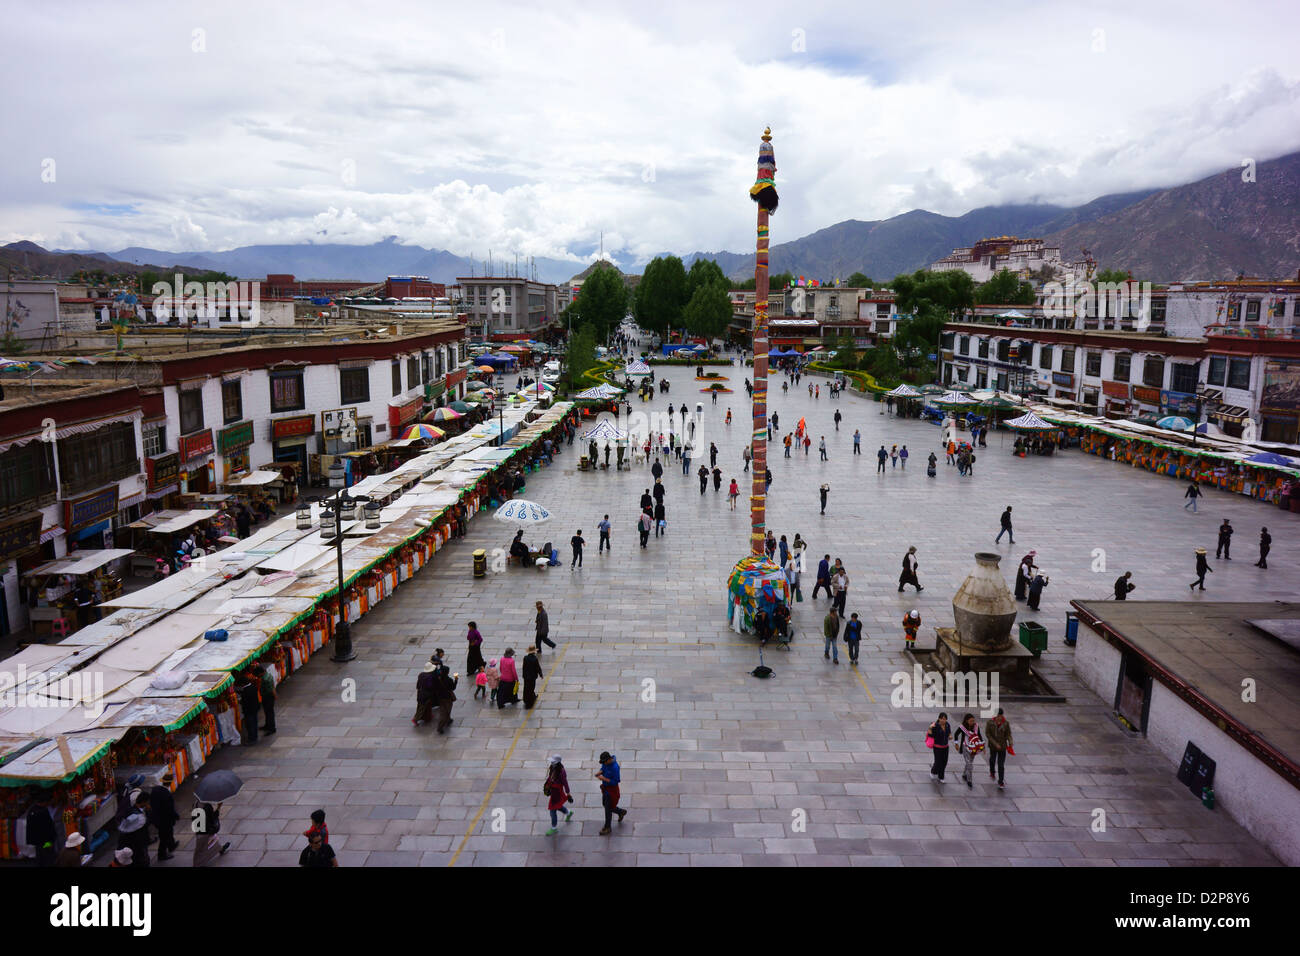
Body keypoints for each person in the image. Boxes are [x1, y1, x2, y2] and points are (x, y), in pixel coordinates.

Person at [149, 771, 180, 860]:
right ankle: (161, 854)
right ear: (170, 783)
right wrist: (176, 816)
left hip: (156, 818)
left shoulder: (155, 790)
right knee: (164, 837)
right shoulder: (167, 795)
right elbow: (169, 810)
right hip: (165, 820)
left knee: (168, 833)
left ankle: (171, 845)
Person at [596, 751, 628, 835]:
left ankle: (607, 827)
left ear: (609, 759)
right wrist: (599, 772)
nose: (603, 764)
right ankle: (620, 812)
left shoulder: (615, 767)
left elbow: (616, 781)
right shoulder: (605, 763)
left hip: (612, 790)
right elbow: (603, 768)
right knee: (606, 805)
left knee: (608, 809)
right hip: (605, 789)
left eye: (604, 762)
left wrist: (604, 779)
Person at [544, 755, 575, 835]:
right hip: (554, 791)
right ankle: (568, 813)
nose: (551, 763)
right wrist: (547, 783)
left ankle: (554, 828)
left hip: (557, 792)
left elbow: (565, 783)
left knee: (552, 810)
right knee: (558, 806)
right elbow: (550, 777)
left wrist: (568, 794)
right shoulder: (553, 767)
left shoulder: (561, 772)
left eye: (553, 762)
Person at [24, 792, 57, 867]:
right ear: (45, 802)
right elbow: (48, 827)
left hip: (37, 841)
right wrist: (51, 840)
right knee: (47, 857)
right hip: (45, 841)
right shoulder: (43, 812)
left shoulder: (32, 810)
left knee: (40, 857)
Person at [954, 714, 984, 789]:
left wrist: (982, 747)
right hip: (965, 747)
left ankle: (964, 774)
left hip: (974, 748)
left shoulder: (976, 726)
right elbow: (956, 734)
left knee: (969, 762)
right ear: (967, 721)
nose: (972, 722)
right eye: (971, 721)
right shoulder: (962, 727)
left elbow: (979, 736)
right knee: (969, 764)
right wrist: (956, 743)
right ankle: (969, 780)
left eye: (973, 721)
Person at [985, 708, 1013, 789]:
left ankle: (1001, 781)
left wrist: (1010, 741)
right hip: (993, 746)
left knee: (1001, 765)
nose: (999, 717)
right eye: (998, 716)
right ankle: (992, 771)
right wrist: (995, 743)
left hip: (1002, 747)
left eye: (1000, 716)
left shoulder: (1006, 724)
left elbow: (1008, 734)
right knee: (992, 760)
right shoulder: (990, 723)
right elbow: (988, 734)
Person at [235, 670, 260, 745]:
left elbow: (245, 702)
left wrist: (240, 701)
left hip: (249, 710)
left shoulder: (246, 691)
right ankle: (254, 736)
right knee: (254, 723)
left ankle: (252, 739)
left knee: (250, 724)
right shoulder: (252, 686)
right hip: (255, 708)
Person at [433, 663, 459, 734]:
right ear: (447, 672)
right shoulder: (449, 680)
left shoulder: (438, 679)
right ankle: (440, 727)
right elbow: (453, 688)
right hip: (447, 697)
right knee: (445, 711)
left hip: (440, 697)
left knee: (445, 709)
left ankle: (448, 719)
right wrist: (456, 680)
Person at [928, 712, 951, 784]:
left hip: (945, 747)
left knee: (944, 762)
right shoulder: (935, 726)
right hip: (937, 747)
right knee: (938, 762)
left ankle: (941, 776)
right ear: (939, 718)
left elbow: (949, 732)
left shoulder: (947, 725)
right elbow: (931, 735)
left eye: (945, 719)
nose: (943, 720)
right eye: (942, 719)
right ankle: (933, 771)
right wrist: (930, 728)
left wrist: (950, 736)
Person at [413, 661, 438, 725]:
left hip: (420, 693)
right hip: (426, 695)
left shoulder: (421, 674)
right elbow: (430, 686)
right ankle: (415, 719)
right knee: (423, 707)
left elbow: (418, 685)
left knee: (421, 705)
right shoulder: (429, 677)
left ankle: (427, 717)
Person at [254, 663, 276, 735]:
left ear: (261, 673)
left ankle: (271, 728)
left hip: (268, 697)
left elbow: (270, 690)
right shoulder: (268, 675)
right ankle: (267, 725)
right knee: (267, 712)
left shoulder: (265, 679)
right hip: (267, 696)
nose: (258, 676)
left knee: (269, 713)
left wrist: (274, 696)